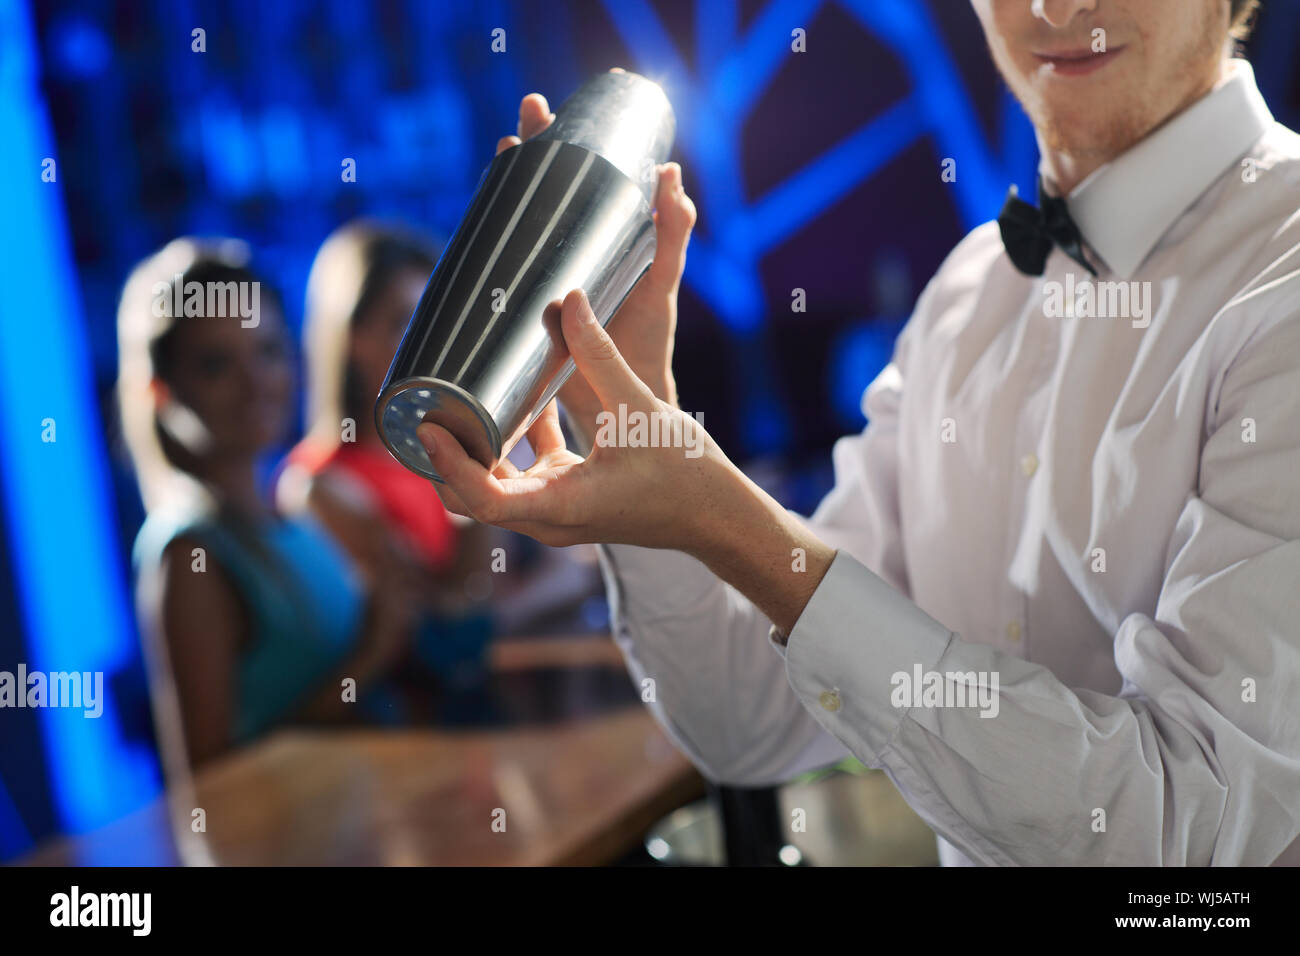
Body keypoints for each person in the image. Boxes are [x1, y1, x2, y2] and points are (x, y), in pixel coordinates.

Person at [423, 1, 1300, 865]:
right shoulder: (967, 293)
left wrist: (731, 524)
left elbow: (1187, 834)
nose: (1057, 7)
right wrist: (629, 411)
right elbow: (746, 722)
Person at [118, 238, 418, 776]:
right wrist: (370, 655)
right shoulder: (189, 554)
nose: (255, 382)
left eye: (269, 351)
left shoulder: (290, 516)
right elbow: (211, 782)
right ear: (163, 393)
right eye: (216, 365)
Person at [277, 221, 495, 690]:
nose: (430, 343)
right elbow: (442, 624)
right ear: (351, 337)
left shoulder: (439, 449)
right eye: (404, 322)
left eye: (437, 320)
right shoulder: (319, 484)